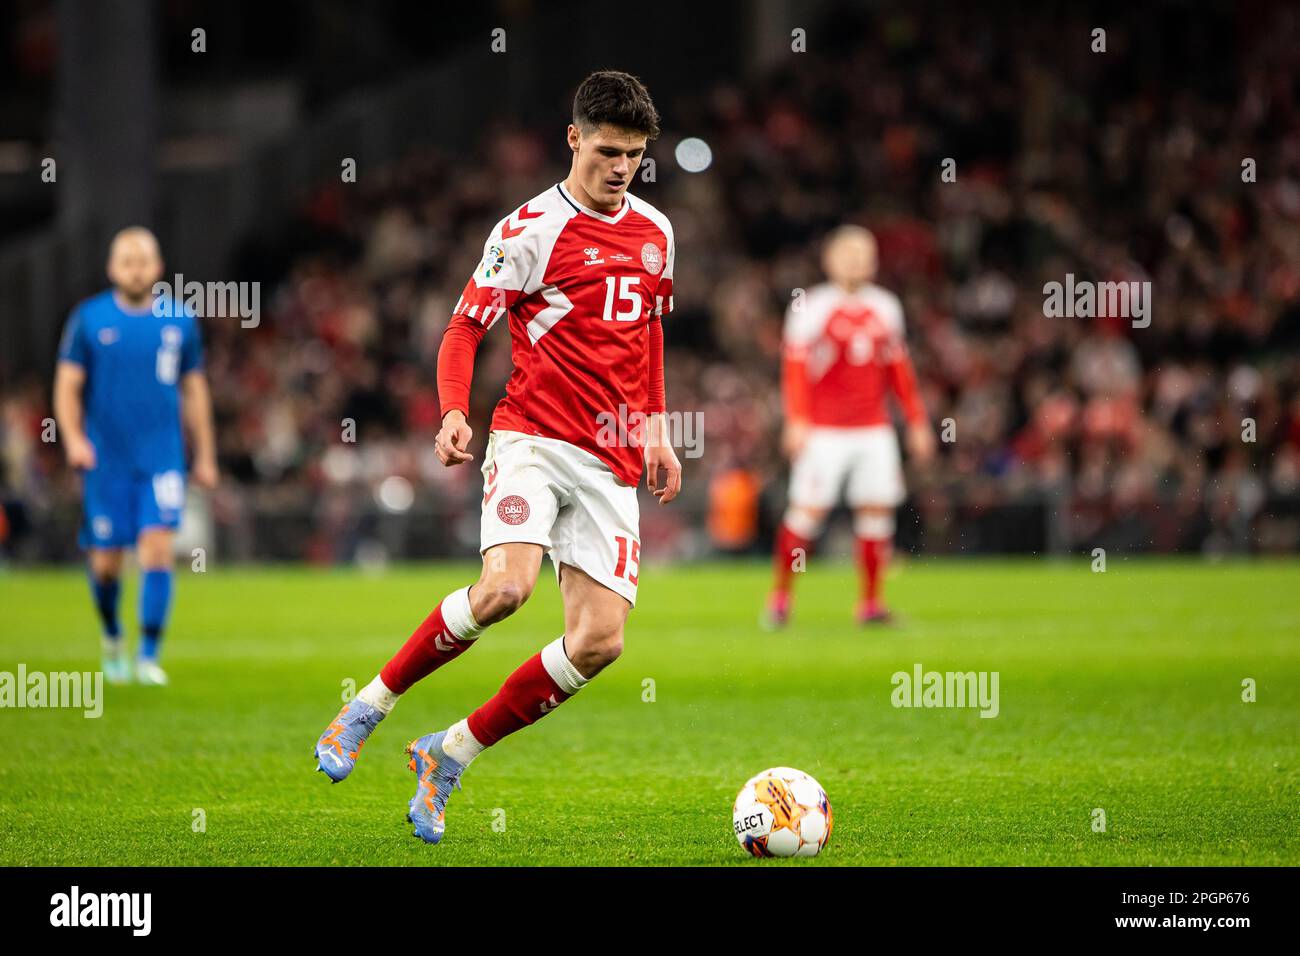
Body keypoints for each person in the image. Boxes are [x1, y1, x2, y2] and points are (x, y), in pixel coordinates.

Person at [313, 70, 682, 845]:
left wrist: (653, 428)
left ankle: (448, 753)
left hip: (611, 458)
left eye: (636, 156)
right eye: (609, 151)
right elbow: (461, 330)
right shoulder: (527, 231)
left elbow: (646, 336)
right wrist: (453, 411)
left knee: (600, 643)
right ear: (574, 138)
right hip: (534, 440)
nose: (621, 168)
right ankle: (368, 706)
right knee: (506, 590)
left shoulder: (655, 232)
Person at [53, 227, 218, 685]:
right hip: (106, 460)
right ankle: (111, 636)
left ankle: (147, 655)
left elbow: (194, 388)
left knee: (158, 550)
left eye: (143, 260)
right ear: (112, 268)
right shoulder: (89, 319)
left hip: (162, 458)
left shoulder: (179, 322)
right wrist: (72, 439)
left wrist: (204, 454)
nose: (136, 268)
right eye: (127, 260)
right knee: (105, 562)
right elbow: (67, 385)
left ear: (158, 267)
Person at [765, 226, 934, 628]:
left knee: (876, 512)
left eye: (865, 253)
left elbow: (899, 370)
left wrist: (917, 421)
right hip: (824, 431)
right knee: (806, 515)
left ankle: (871, 605)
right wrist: (798, 420)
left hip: (874, 429)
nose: (857, 260)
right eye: (849, 253)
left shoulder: (886, 306)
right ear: (830, 260)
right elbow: (795, 369)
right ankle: (780, 601)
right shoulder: (812, 306)